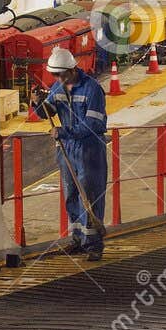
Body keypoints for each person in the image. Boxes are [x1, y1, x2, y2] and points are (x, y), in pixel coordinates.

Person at [33, 45, 108, 260]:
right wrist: (37, 103)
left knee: (90, 197)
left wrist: (64, 131)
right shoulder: (58, 89)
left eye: (60, 74)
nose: (57, 78)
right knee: (71, 196)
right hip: (67, 150)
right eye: (54, 75)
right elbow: (46, 112)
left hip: (89, 150)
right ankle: (78, 240)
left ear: (72, 70)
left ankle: (93, 246)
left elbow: (94, 124)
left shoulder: (92, 89)